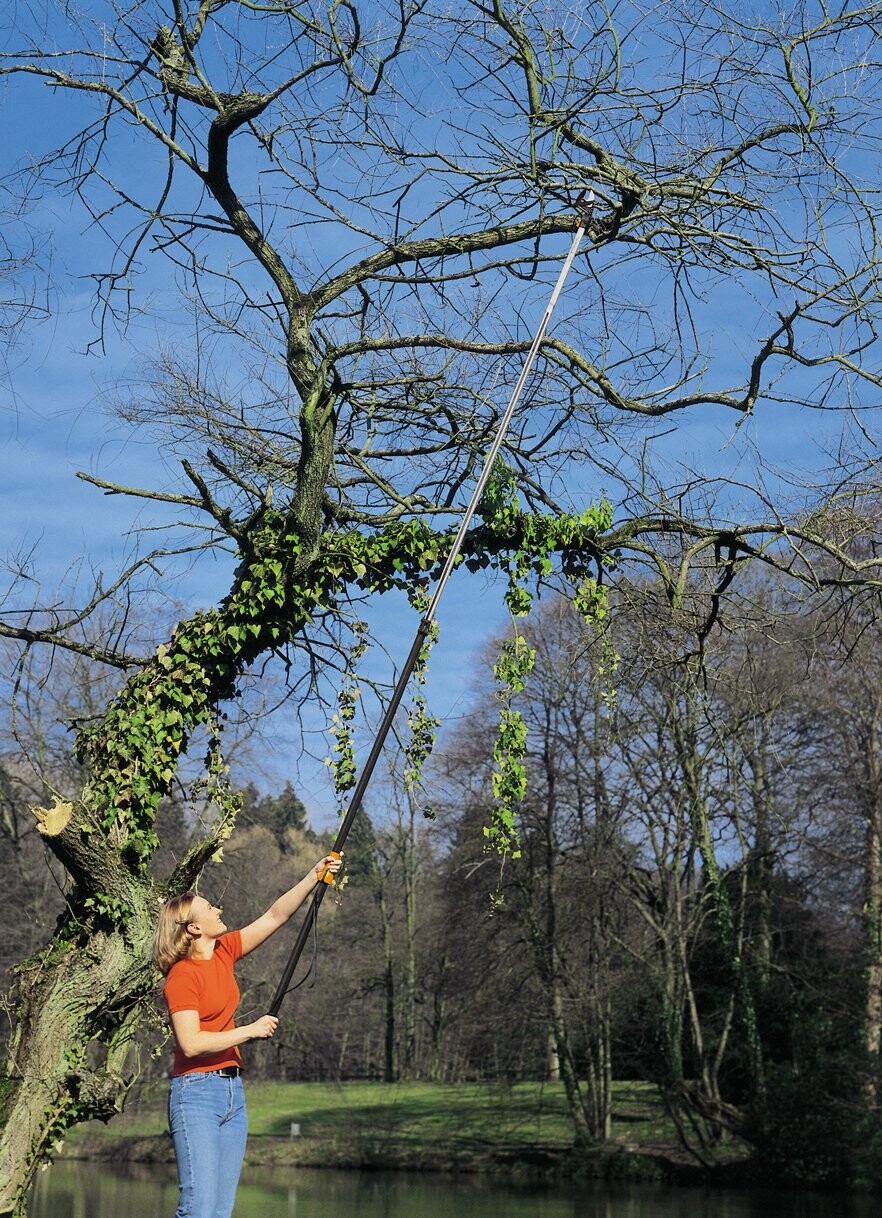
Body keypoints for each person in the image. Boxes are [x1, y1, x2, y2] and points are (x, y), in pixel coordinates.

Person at [152, 851, 343, 1218]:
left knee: (220, 1212)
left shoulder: (223, 951)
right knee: (198, 1208)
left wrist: (312, 875)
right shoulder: (182, 977)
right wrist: (249, 1032)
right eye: (209, 908)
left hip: (232, 1094)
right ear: (193, 928)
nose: (217, 909)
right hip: (196, 1095)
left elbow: (275, 915)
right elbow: (191, 1044)